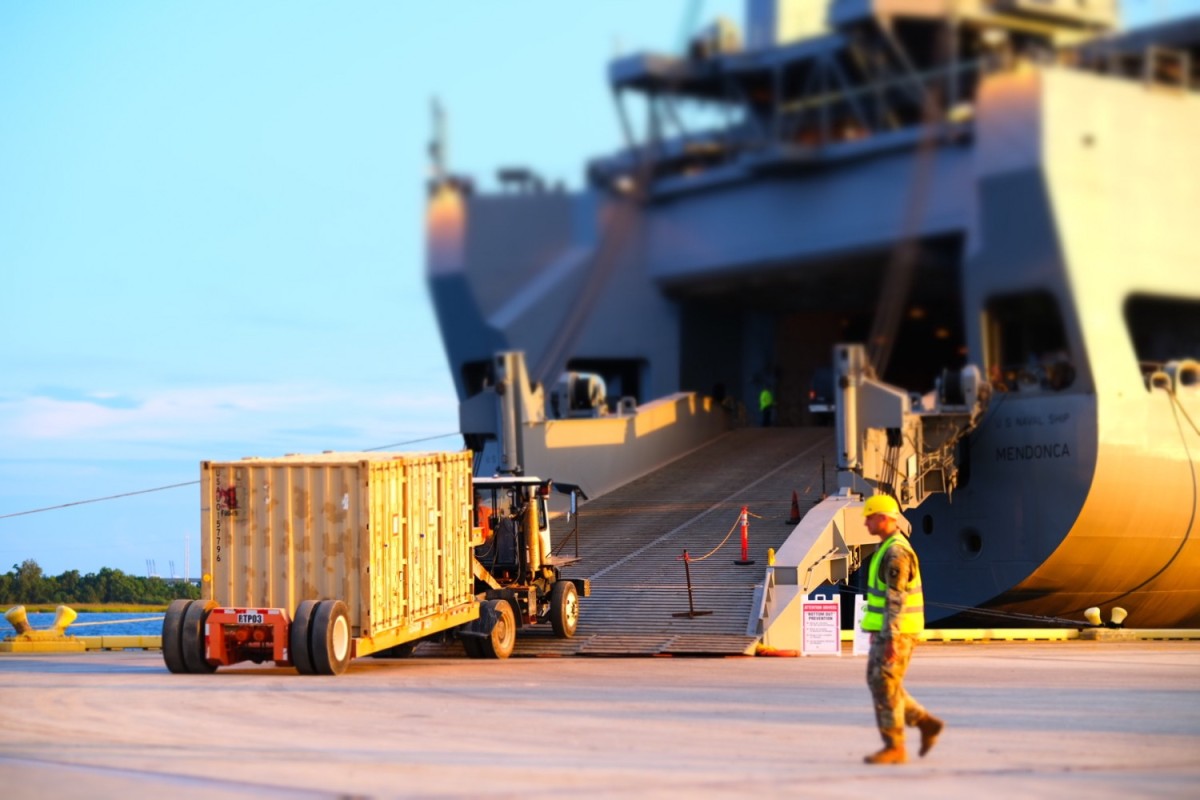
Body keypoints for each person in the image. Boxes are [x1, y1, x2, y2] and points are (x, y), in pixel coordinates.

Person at [860, 493, 944, 765]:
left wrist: (891, 637)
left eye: (869, 518)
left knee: (884, 684)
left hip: (899, 633)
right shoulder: (887, 548)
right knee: (881, 682)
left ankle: (895, 746)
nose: (866, 524)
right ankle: (924, 722)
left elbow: (896, 598)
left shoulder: (896, 552)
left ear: (884, 519)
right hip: (888, 631)